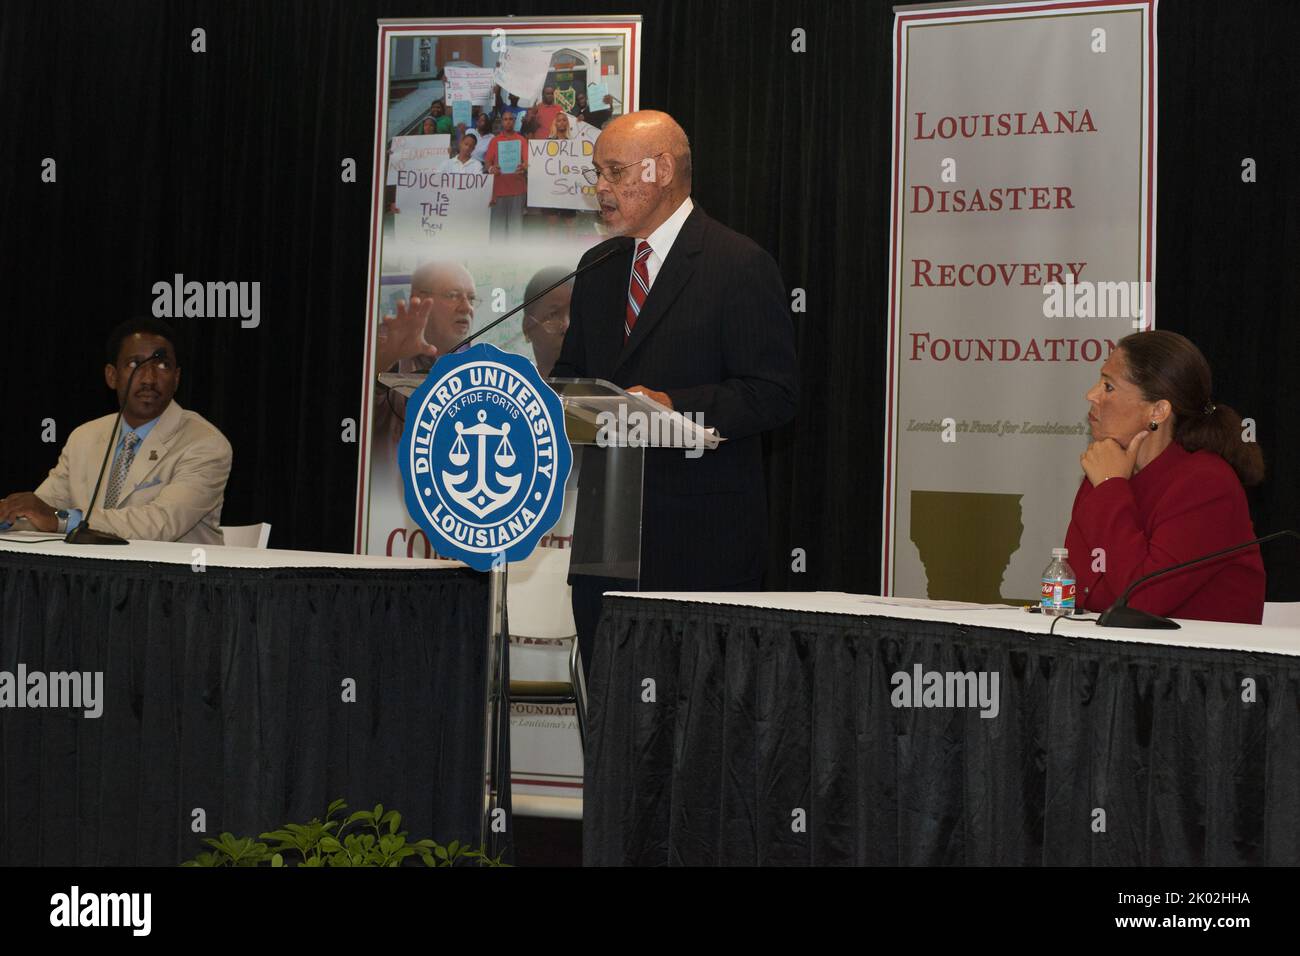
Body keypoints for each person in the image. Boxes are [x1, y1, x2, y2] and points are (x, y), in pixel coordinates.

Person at [551, 110, 799, 674]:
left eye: (614, 172)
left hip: (700, 548)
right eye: (598, 173)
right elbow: (570, 378)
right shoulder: (599, 265)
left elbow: (775, 393)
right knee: (616, 727)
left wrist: (674, 407)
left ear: (661, 169)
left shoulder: (737, 264)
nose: (601, 188)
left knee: (696, 735)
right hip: (604, 546)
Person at [1064, 330, 1265, 624]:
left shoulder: (1207, 484)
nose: (1091, 395)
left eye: (1108, 386)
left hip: (1195, 665)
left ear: (1157, 410)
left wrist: (1110, 488)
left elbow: (1140, 601)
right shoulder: (1109, 469)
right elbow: (1080, 590)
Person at [0, 317, 232, 544]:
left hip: (175, 579)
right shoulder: (84, 437)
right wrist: (11, 516)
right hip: (92, 578)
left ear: (177, 378)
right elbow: (46, 505)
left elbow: (161, 523)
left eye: (162, 365)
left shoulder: (205, 443)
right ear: (112, 376)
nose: (149, 378)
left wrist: (61, 520)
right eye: (134, 364)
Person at [520, 267, 572, 378]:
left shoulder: (600, 391)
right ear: (527, 327)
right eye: (553, 315)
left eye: (575, 314)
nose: (567, 326)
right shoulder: (517, 389)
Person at [484, 110, 528, 242]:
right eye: (505, 119)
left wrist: (524, 167)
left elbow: (527, 161)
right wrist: (491, 168)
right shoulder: (495, 140)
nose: (508, 121)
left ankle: (514, 259)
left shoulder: (521, 140)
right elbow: (487, 162)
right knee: (497, 228)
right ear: (502, 122)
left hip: (517, 189)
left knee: (516, 228)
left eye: (510, 119)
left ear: (514, 122)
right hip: (499, 190)